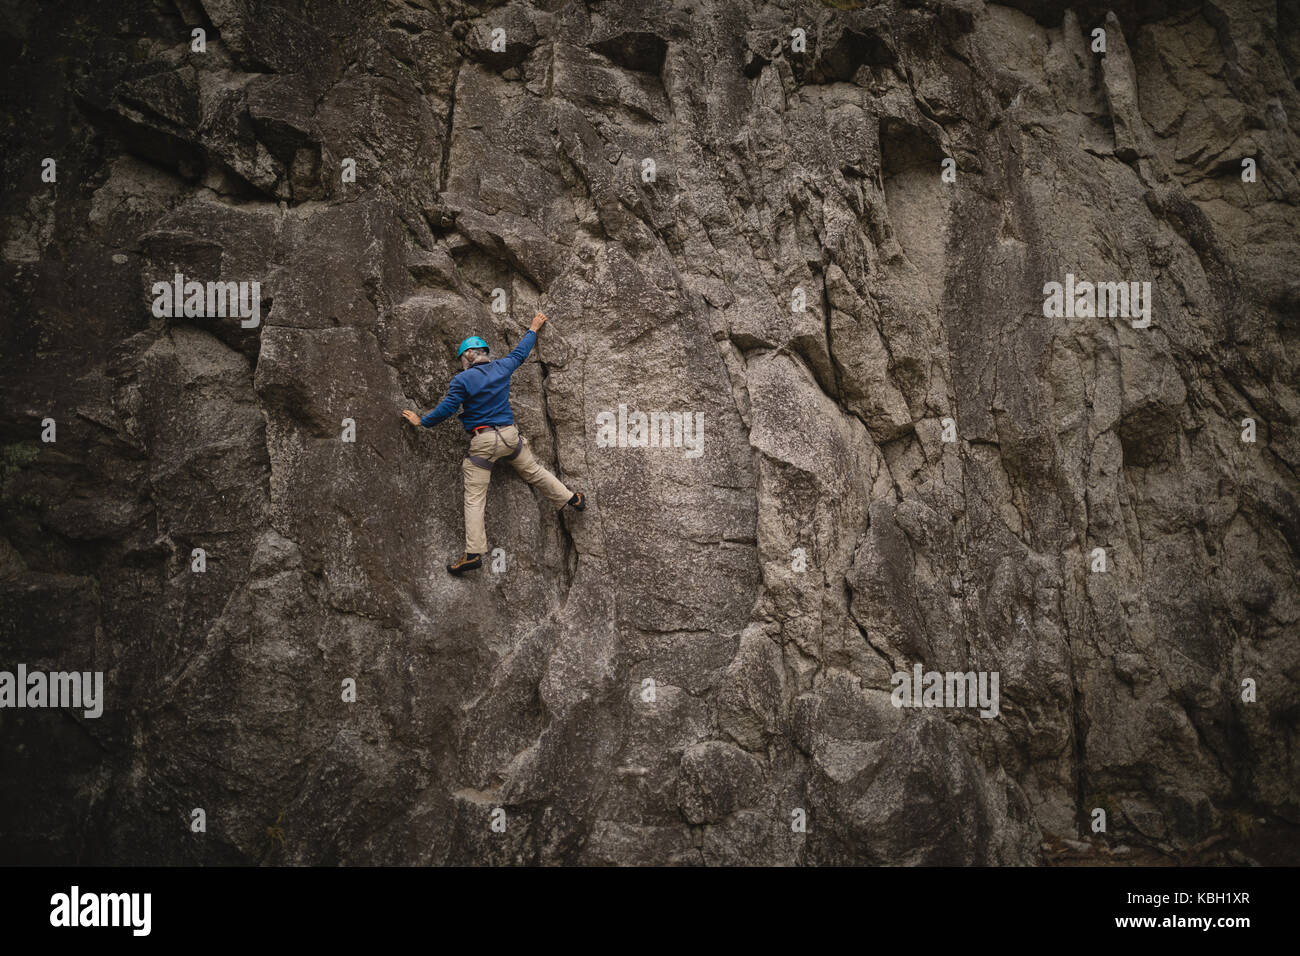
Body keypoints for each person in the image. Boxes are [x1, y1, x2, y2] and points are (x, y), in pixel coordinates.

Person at [402, 311, 584, 574]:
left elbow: (446, 409)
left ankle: (474, 553)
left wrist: (422, 421)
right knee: (533, 471)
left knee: (475, 498)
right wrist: (533, 327)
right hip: (510, 437)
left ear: (470, 355)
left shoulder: (462, 380)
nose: (462, 363)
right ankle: (571, 498)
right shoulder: (501, 367)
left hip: (484, 442)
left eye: (462, 358)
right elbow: (521, 353)